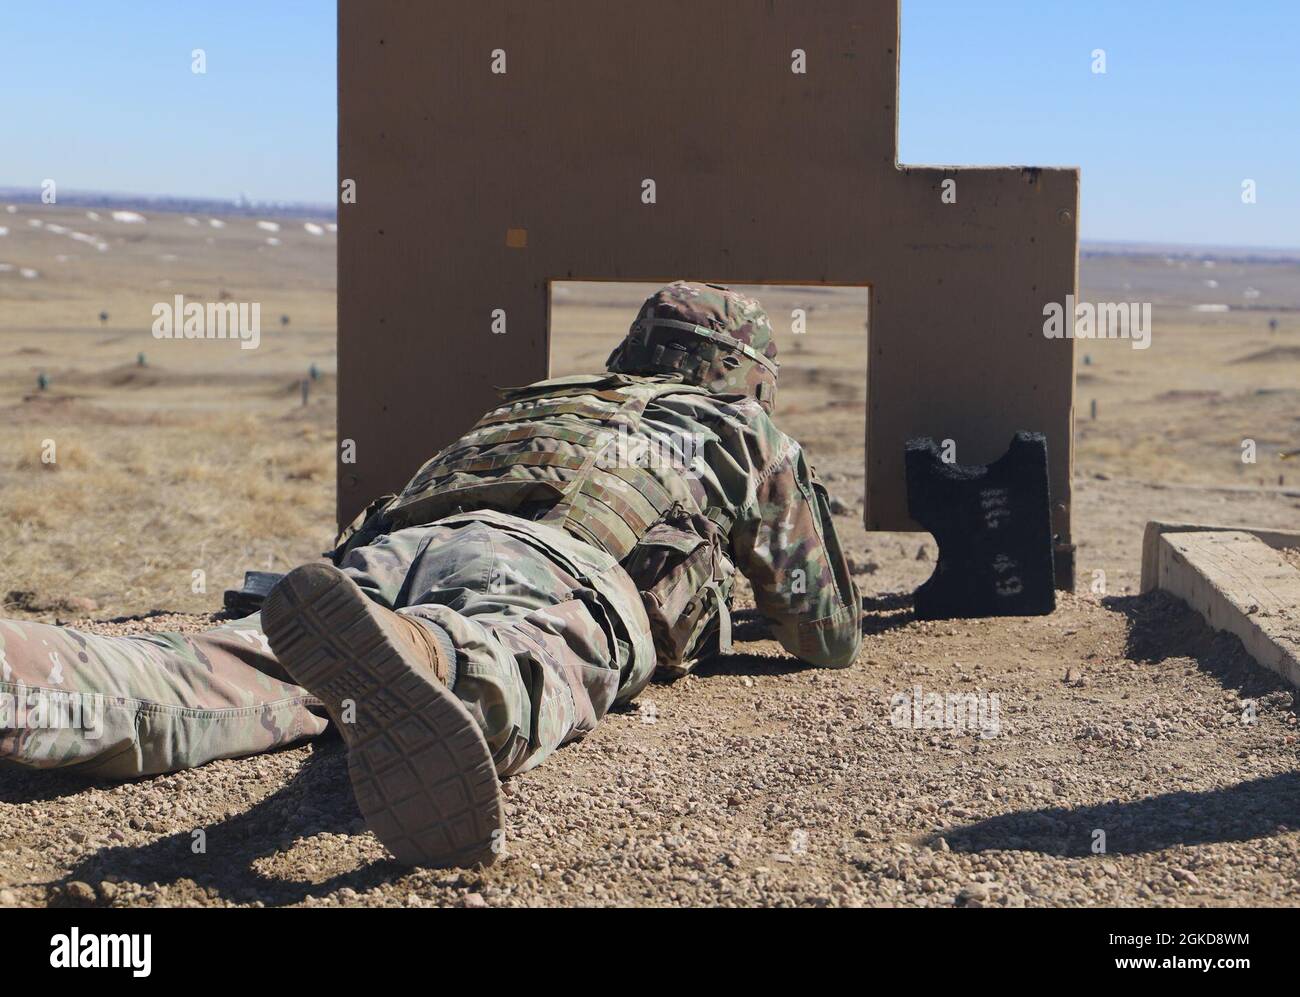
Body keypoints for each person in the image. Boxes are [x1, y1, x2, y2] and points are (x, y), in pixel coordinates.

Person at [0, 281, 862, 868]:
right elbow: (822, 630)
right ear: (746, 374)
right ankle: (435, 661)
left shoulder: (540, 397)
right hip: (555, 563)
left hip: (392, 553)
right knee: (534, 653)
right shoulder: (739, 427)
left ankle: (33, 674)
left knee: (231, 661)